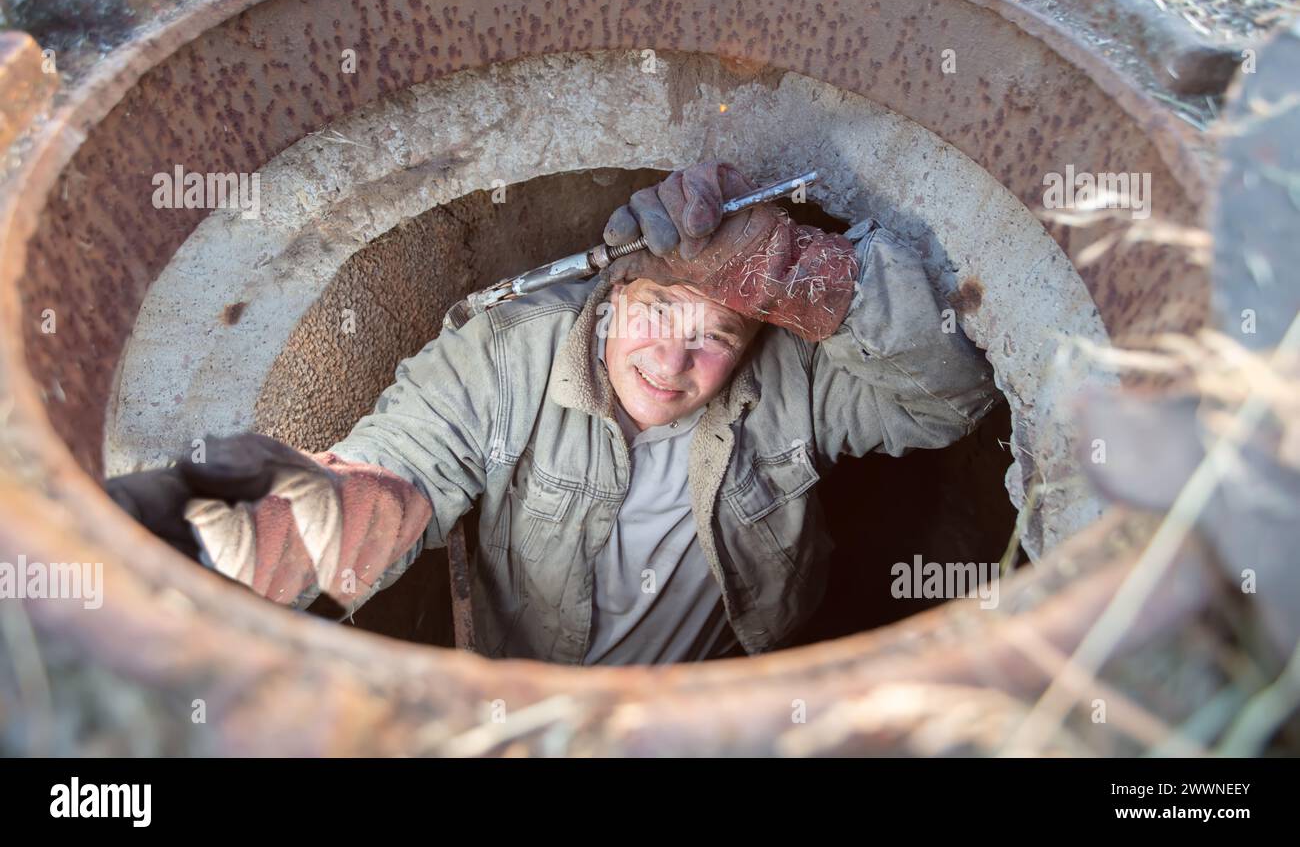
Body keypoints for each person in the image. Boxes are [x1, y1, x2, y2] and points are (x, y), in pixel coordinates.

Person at [107, 161, 998, 664]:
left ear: (757, 331)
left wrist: (803, 274)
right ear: (610, 293)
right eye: (654, 312)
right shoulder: (505, 360)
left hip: (711, 710)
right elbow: (395, 476)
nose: (671, 360)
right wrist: (231, 542)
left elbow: (950, 402)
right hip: (530, 715)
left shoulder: (795, 378)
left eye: (715, 334)